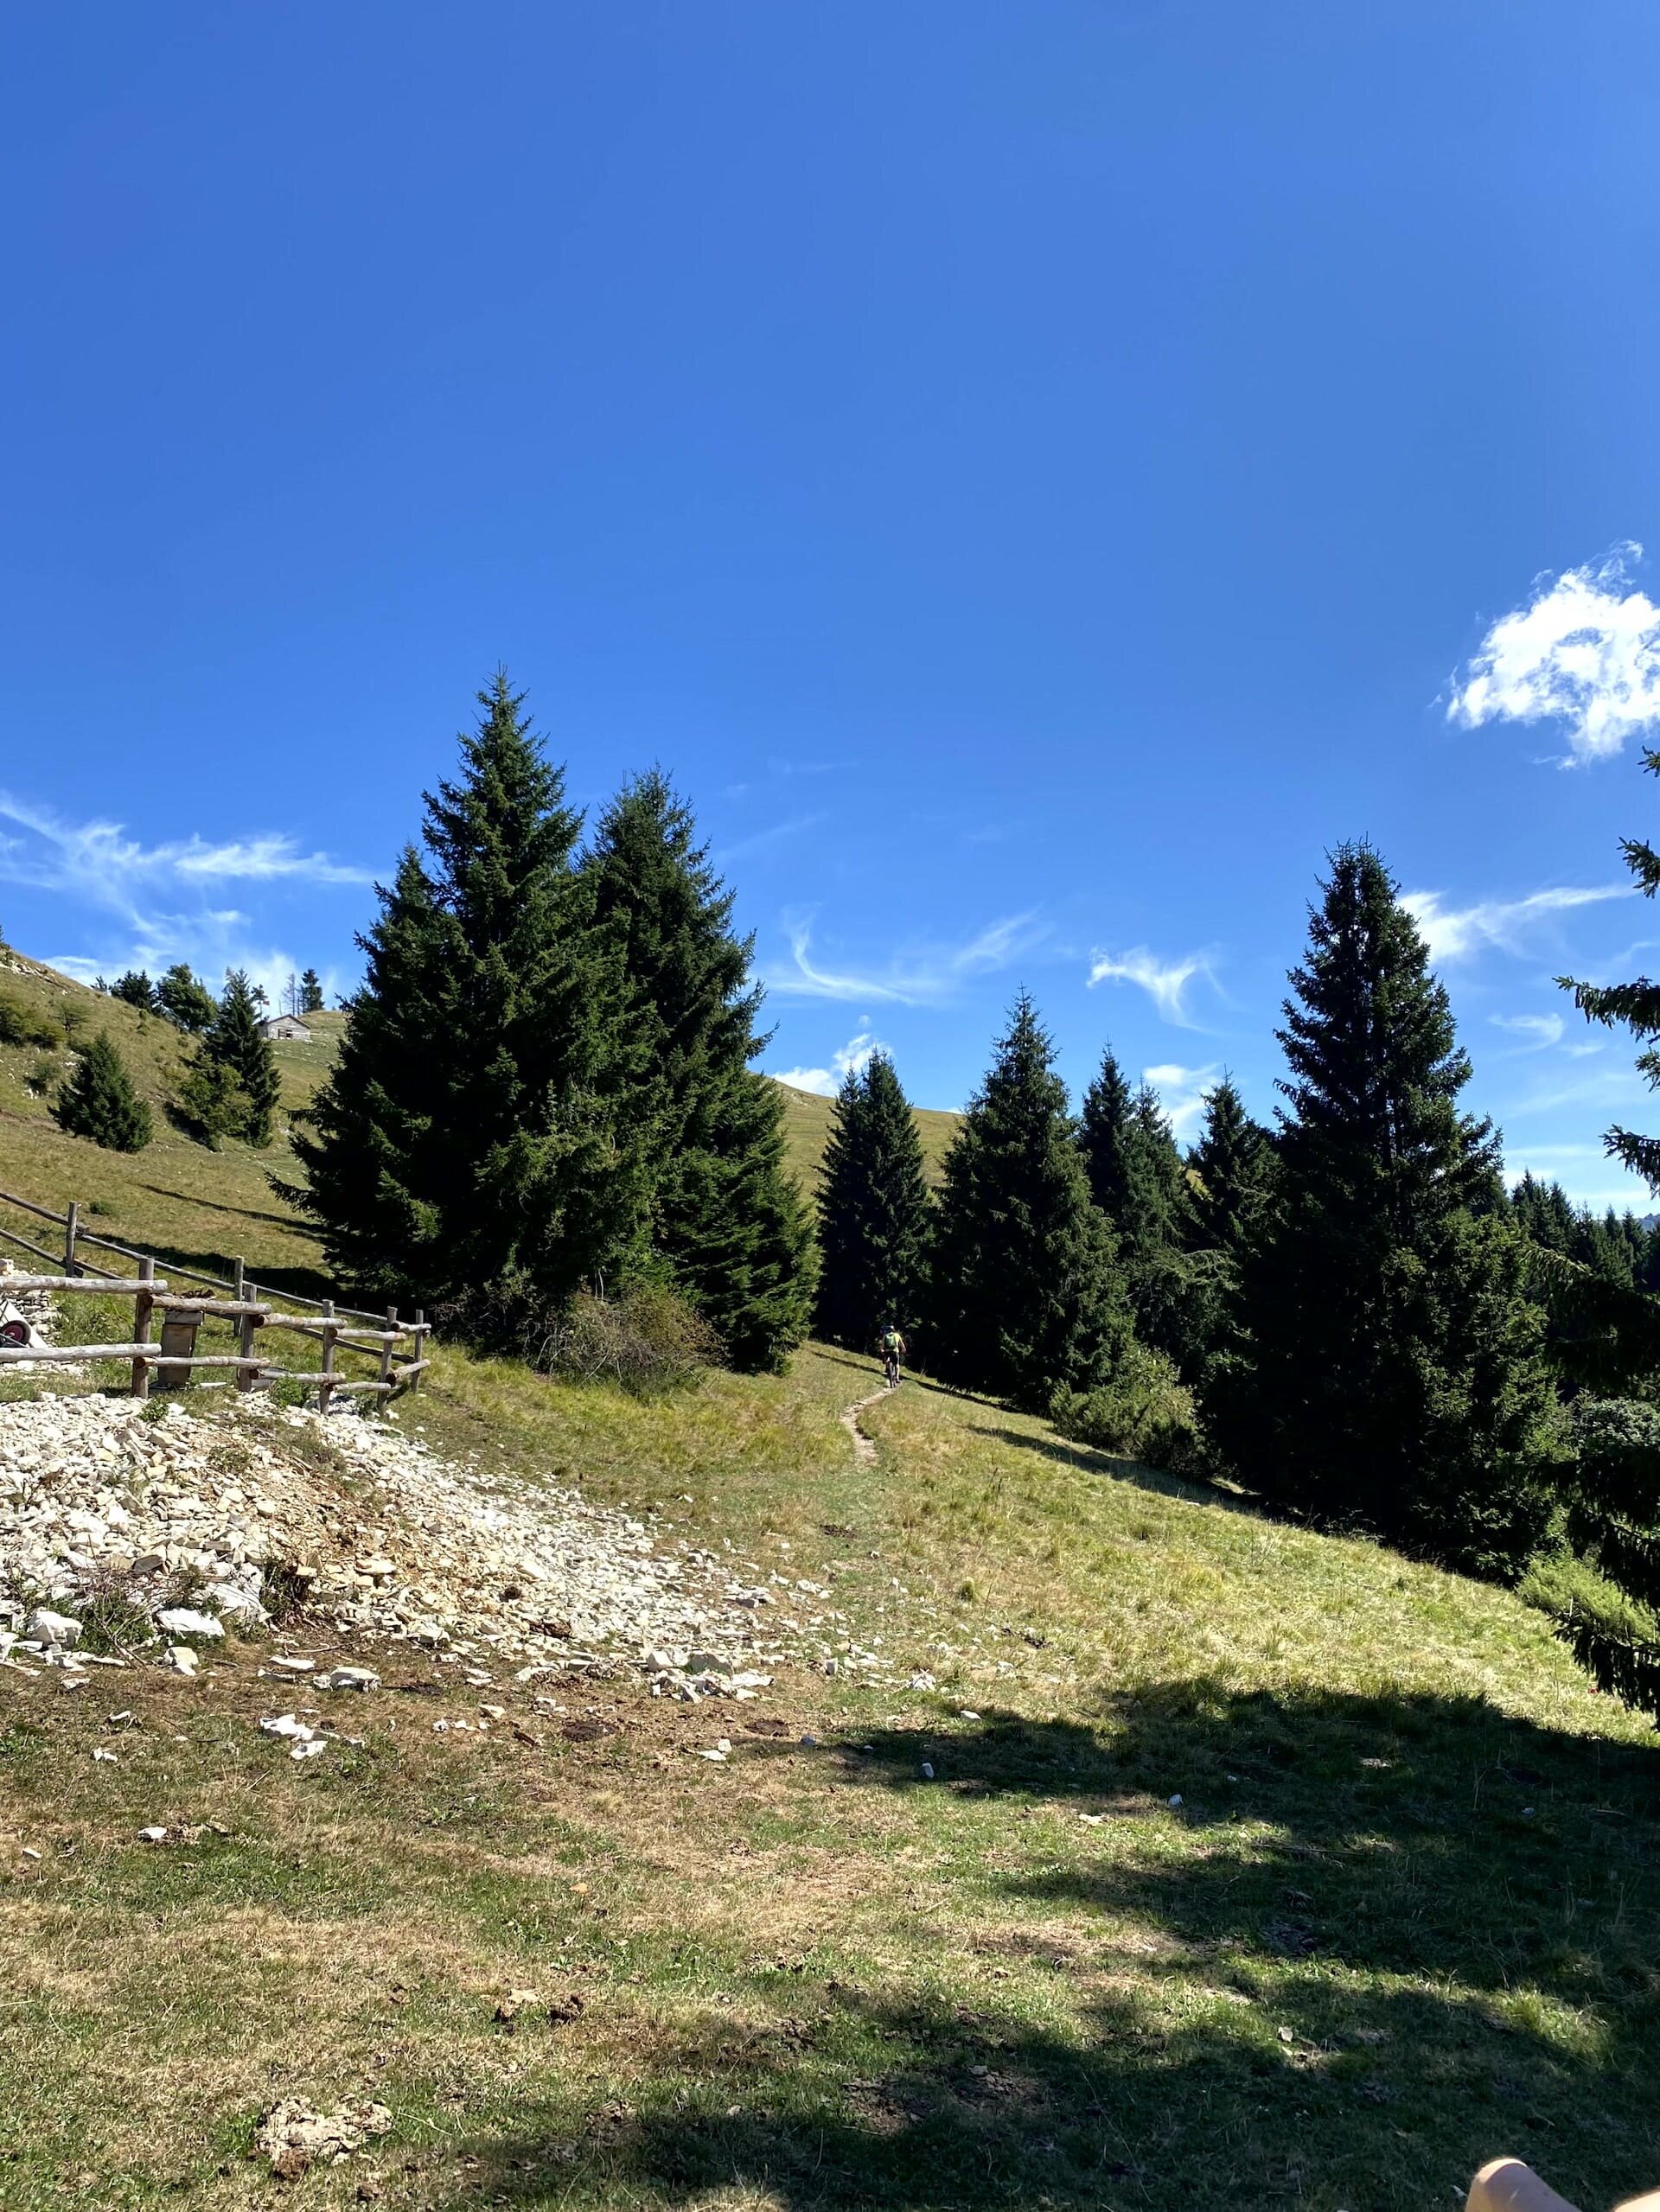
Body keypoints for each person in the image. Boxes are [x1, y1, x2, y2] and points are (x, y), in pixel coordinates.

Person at [880, 1322, 905, 1389]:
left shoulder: (885, 1336)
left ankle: (888, 1367)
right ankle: (897, 1377)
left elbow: (882, 1347)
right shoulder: (897, 1335)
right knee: (897, 1364)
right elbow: (901, 1344)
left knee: (887, 1359)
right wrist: (903, 1350)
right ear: (894, 1330)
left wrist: (882, 1351)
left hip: (887, 1352)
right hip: (895, 1352)